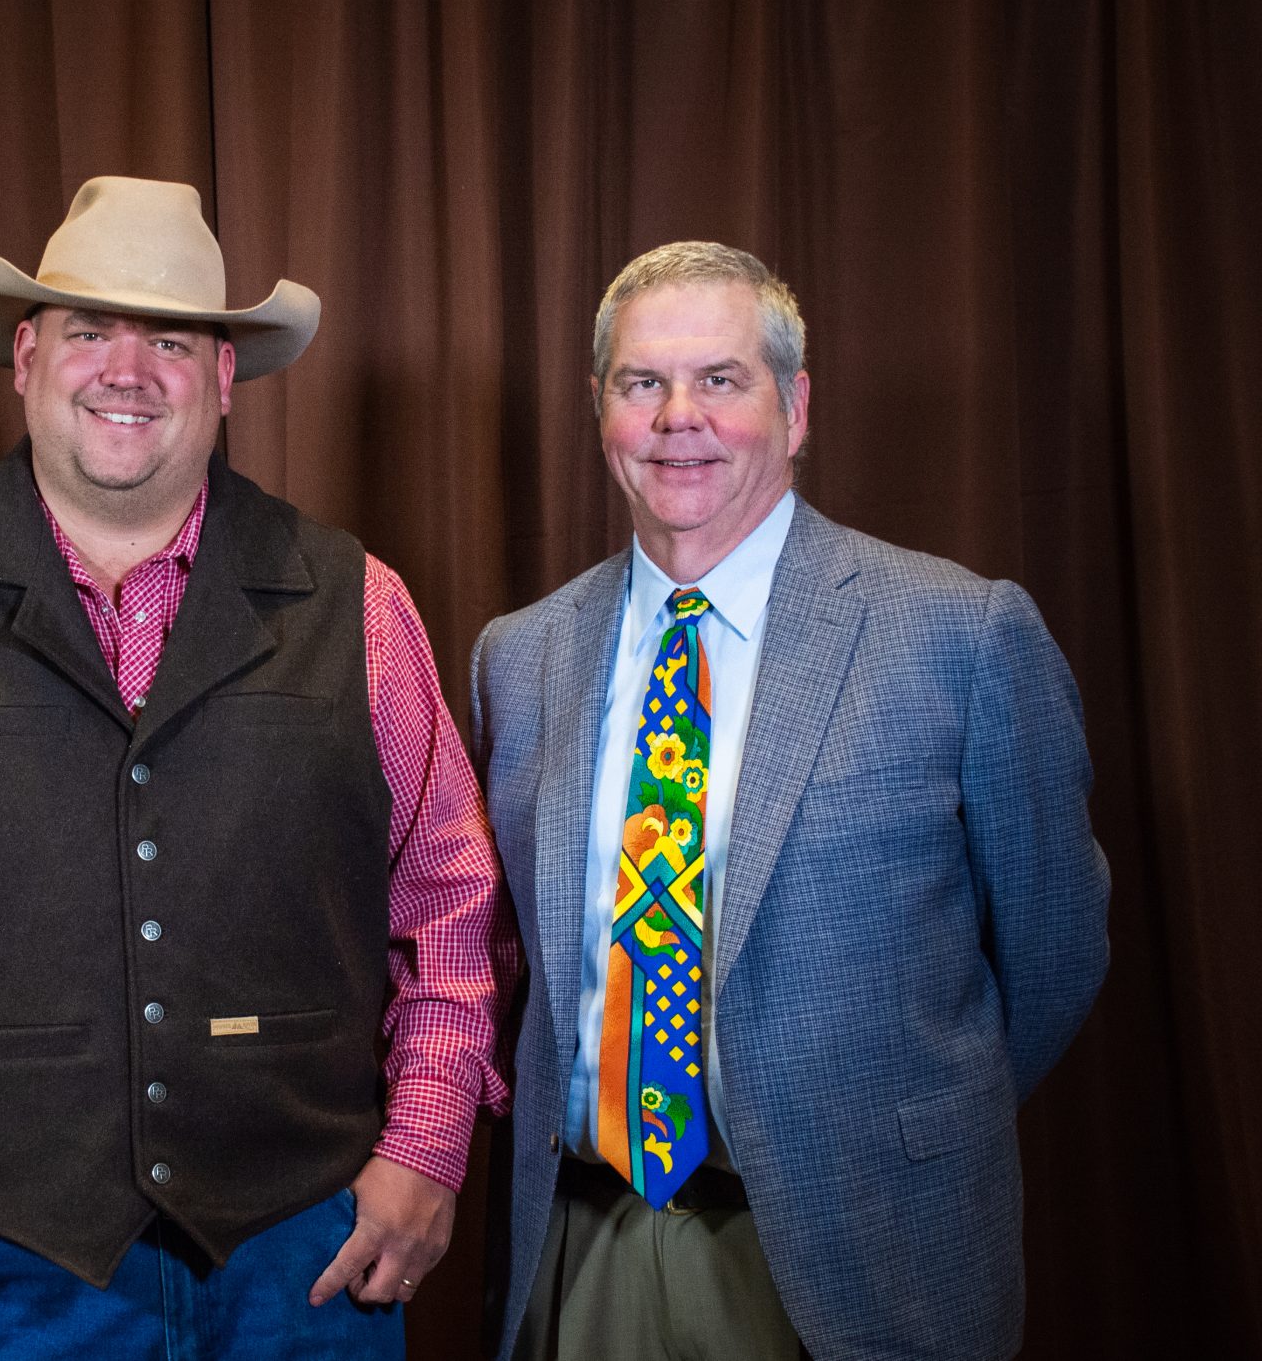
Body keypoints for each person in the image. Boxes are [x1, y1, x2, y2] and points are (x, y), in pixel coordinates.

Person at [0, 176, 516, 1360]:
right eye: (88, 332)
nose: (128, 369)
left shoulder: (359, 601)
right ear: (22, 355)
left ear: (222, 378)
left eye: (170, 339)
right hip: (4, 1267)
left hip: (307, 1261)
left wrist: (422, 1145)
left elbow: (449, 899)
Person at [472, 242, 1109, 1360]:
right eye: (640, 384)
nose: (680, 417)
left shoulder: (956, 634)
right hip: (588, 1241)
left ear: (794, 407)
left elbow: (1051, 956)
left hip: (861, 1253)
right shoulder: (517, 657)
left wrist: (885, 1125)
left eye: (721, 379)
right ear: (599, 409)